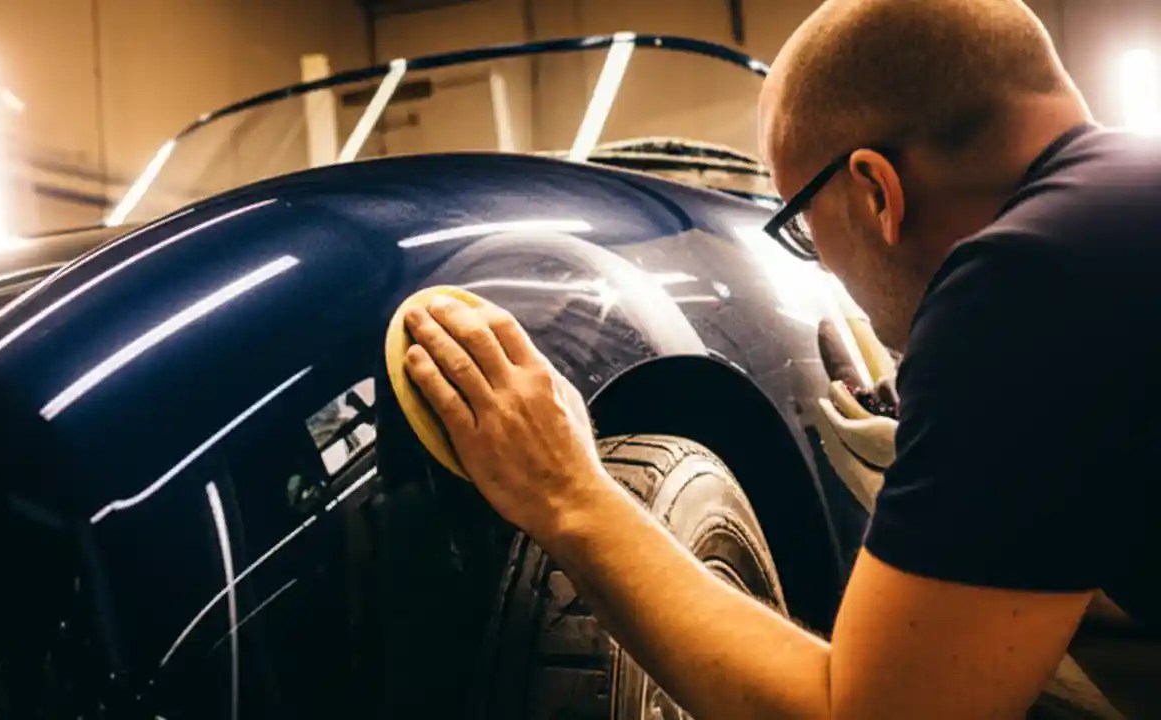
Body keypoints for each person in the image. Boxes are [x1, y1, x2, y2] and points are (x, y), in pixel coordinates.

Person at [401, 0, 1161, 716]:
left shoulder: (1018, 285)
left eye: (798, 221)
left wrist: (568, 496)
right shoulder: (1115, 206)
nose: (820, 263)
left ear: (874, 191)